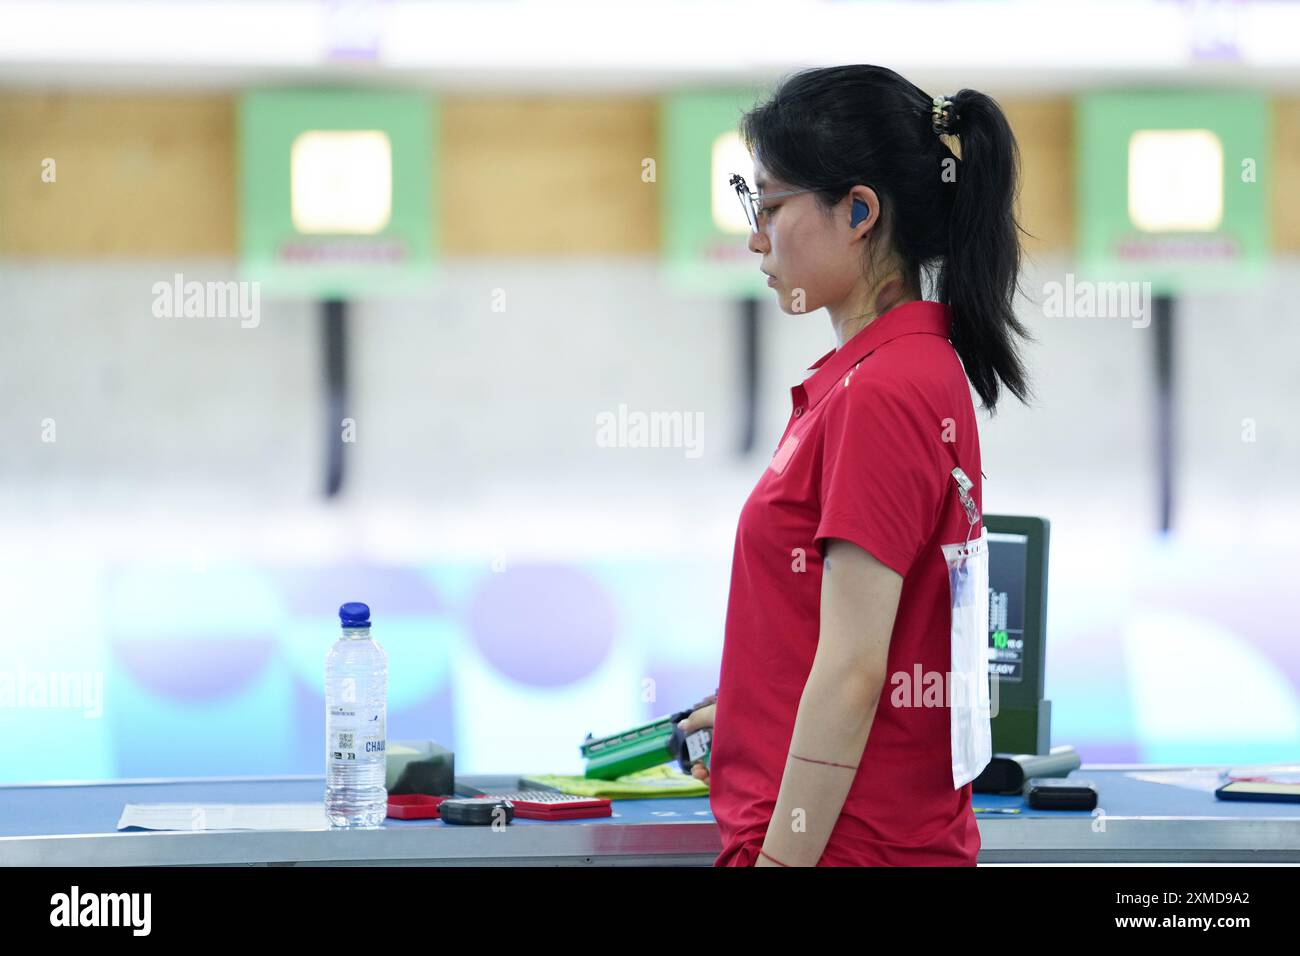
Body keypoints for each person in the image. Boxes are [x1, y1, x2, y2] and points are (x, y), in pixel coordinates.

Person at [677, 64, 1033, 866]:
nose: (756, 238)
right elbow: (842, 632)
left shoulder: (885, 392)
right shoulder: (890, 374)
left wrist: (779, 861)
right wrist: (748, 708)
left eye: (769, 206)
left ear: (859, 210)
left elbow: (852, 673)